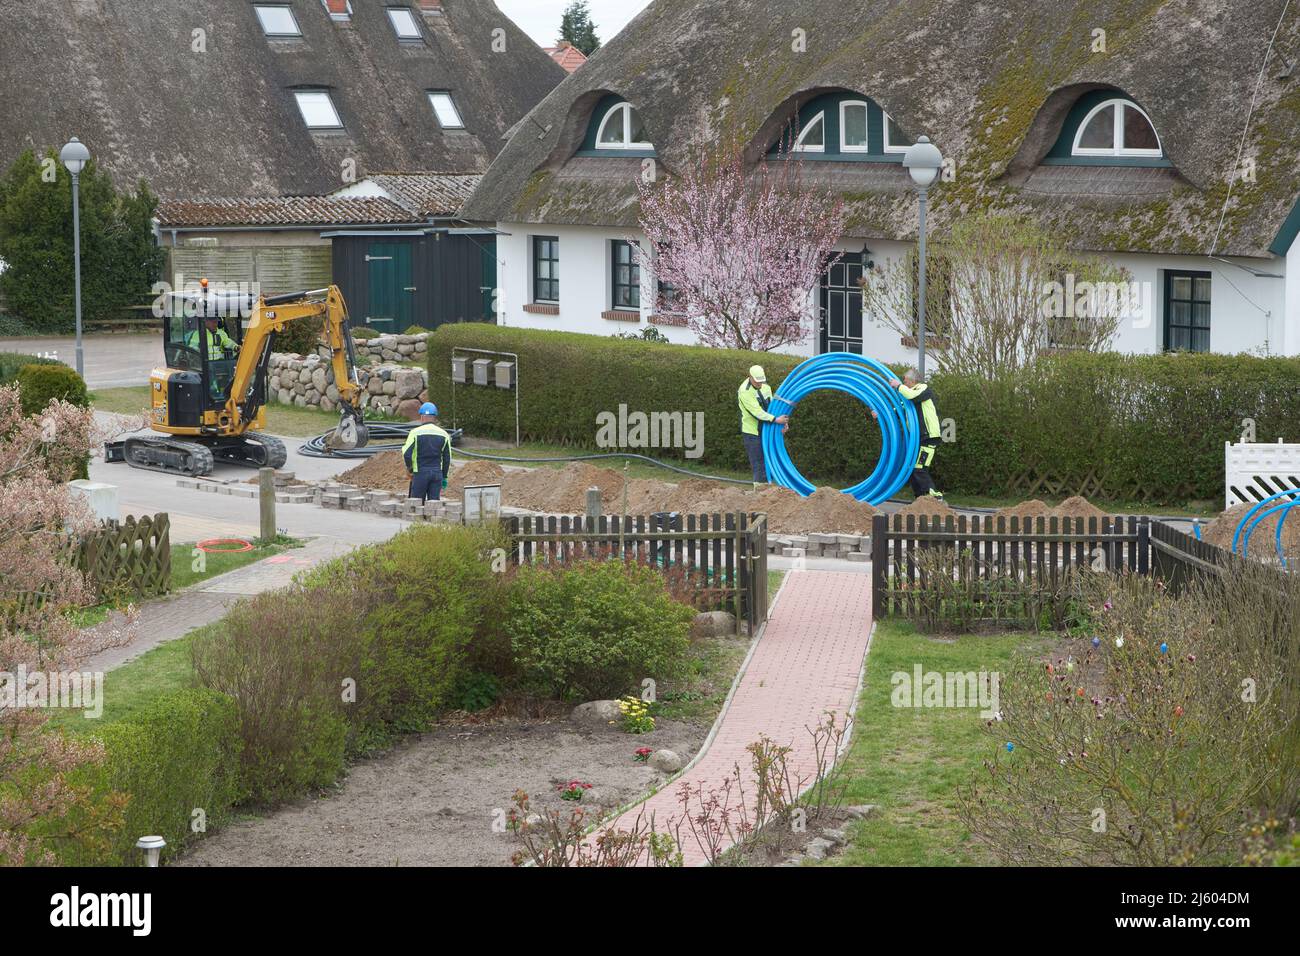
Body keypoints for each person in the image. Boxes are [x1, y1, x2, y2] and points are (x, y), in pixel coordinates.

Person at [887, 368, 944, 499]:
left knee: (919, 467)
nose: (903, 382)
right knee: (911, 468)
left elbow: (912, 396)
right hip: (917, 438)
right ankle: (920, 499)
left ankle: (935, 497)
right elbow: (897, 410)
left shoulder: (923, 389)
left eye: (905, 381)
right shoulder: (908, 395)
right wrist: (880, 413)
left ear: (912, 381)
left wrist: (898, 386)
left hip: (928, 436)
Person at [737, 365, 789, 489]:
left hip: (767, 428)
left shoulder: (766, 387)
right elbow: (756, 412)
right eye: (757, 381)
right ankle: (759, 493)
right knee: (759, 462)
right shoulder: (744, 391)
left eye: (761, 380)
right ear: (750, 377)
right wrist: (776, 420)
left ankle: (769, 490)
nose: (760, 383)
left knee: (771, 459)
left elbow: (773, 408)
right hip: (752, 432)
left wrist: (783, 423)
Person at [402, 402, 453, 503]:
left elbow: (407, 454)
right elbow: (447, 458)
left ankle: (417, 519)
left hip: (420, 473)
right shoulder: (444, 434)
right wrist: (444, 476)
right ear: (434, 417)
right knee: (434, 507)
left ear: (422, 417)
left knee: (416, 505)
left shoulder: (414, 433)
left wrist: (410, 469)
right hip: (436, 474)